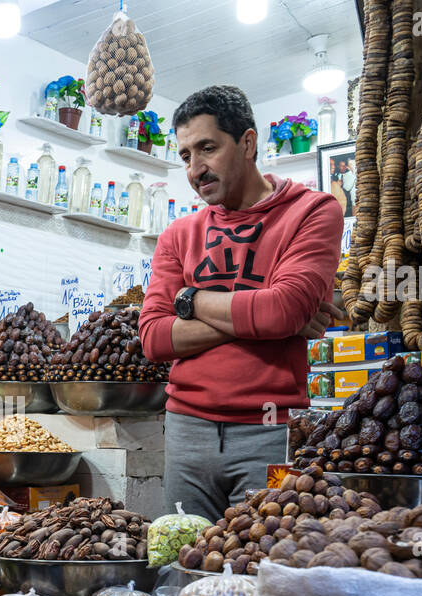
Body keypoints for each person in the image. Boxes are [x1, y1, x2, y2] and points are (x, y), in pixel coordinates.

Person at [139, 86, 345, 522]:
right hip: (184, 430)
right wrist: (270, 317)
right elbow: (155, 338)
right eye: (185, 156)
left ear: (248, 143)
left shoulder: (313, 211)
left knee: (262, 556)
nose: (196, 169)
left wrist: (189, 300)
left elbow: (282, 311)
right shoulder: (179, 234)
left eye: (207, 149)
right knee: (182, 561)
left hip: (270, 434)